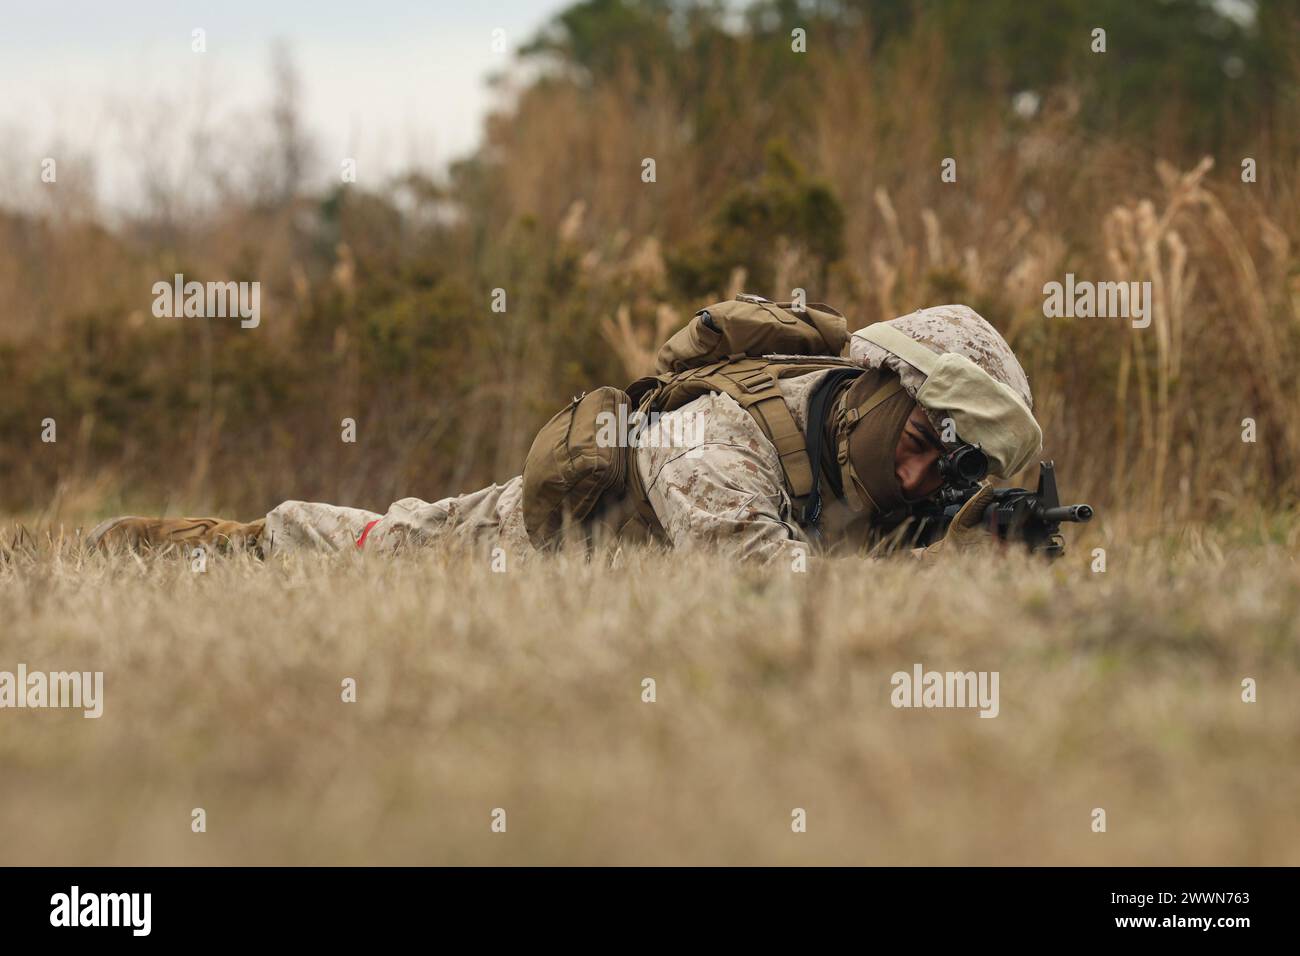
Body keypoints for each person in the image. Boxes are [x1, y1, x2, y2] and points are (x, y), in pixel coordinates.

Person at [88, 303, 1041, 564]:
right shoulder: (717, 435)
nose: (922, 475)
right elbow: (761, 583)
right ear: (878, 387)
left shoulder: (886, 468)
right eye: (921, 437)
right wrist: (941, 562)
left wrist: (990, 538)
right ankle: (213, 544)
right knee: (360, 545)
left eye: (949, 466)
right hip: (516, 543)